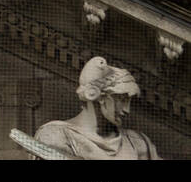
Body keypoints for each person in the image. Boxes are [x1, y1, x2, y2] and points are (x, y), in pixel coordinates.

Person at [29, 57, 160, 159]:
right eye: (121, 99)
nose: (127, 110)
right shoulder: (56, 135)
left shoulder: (138, 143)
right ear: (98, 96)